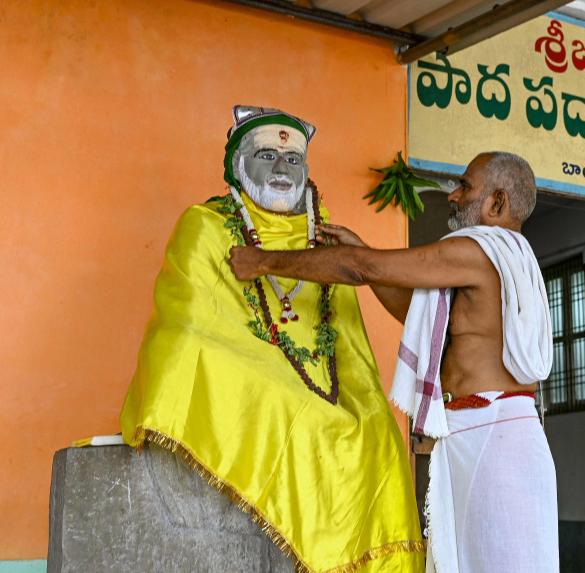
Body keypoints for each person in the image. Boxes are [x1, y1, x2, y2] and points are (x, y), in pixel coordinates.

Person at [120, 105, 425, 572]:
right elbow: (187, 319)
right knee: (179, 350)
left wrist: (354, 399)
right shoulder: (205, 224)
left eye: (293, 159)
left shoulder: (322, 235)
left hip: (318, 380)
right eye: (268, 156)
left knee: (378, 424)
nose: (283, 169)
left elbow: (348, 344)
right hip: (246, 369)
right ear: (239, 166)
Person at [229, 151, 560, 572]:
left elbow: (359, 269)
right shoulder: (511, 258)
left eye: (465, 186)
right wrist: (365, 255)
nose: (453, 196)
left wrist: (262, 262)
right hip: (487, 431)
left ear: (497, 203)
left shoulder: (477, 251)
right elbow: (420, 321)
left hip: (493, 440)